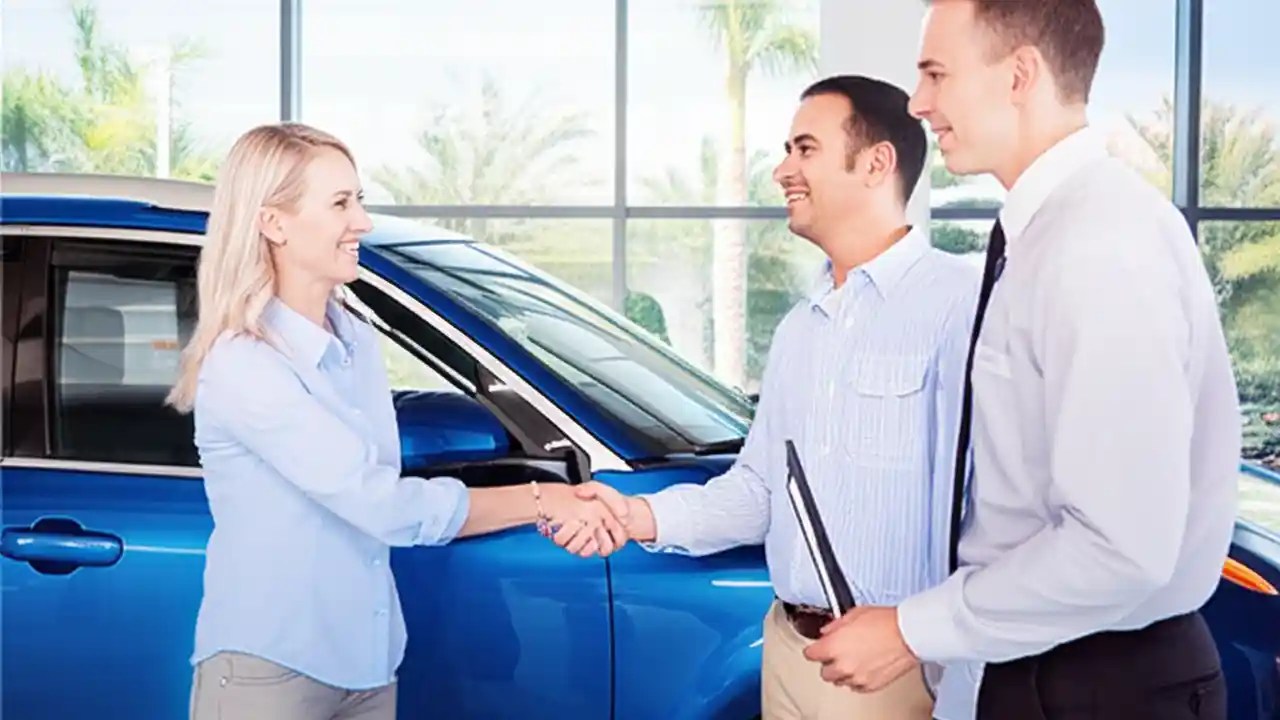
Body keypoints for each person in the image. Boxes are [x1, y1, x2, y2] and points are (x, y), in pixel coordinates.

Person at [801, 2, 1240, 719]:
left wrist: (912, 631)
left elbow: (1119, 547)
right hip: (1044, 669)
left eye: (937, 74)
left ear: (1020, 74)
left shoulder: (1099, 247)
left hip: (1101, 684)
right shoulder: (1045, 234)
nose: (918, 104)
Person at [166, 122, 626, 720]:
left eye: (358, 200)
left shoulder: (355, 340)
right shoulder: (244, 364)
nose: (362, 222)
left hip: (367, 663)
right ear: (273, 222)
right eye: (340, 203)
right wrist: (543, 498)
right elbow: (381, 503)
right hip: (272, 670)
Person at [567, 75, 982, 719]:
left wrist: (929, 648)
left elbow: (999, 510)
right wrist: (633, 516)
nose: (782, 169)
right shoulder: (800, 329)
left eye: (805, 149)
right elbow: (759, 491)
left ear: (876, 163)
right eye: (786, 149)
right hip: (789, 650)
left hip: (894, 671)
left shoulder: (962, 306)